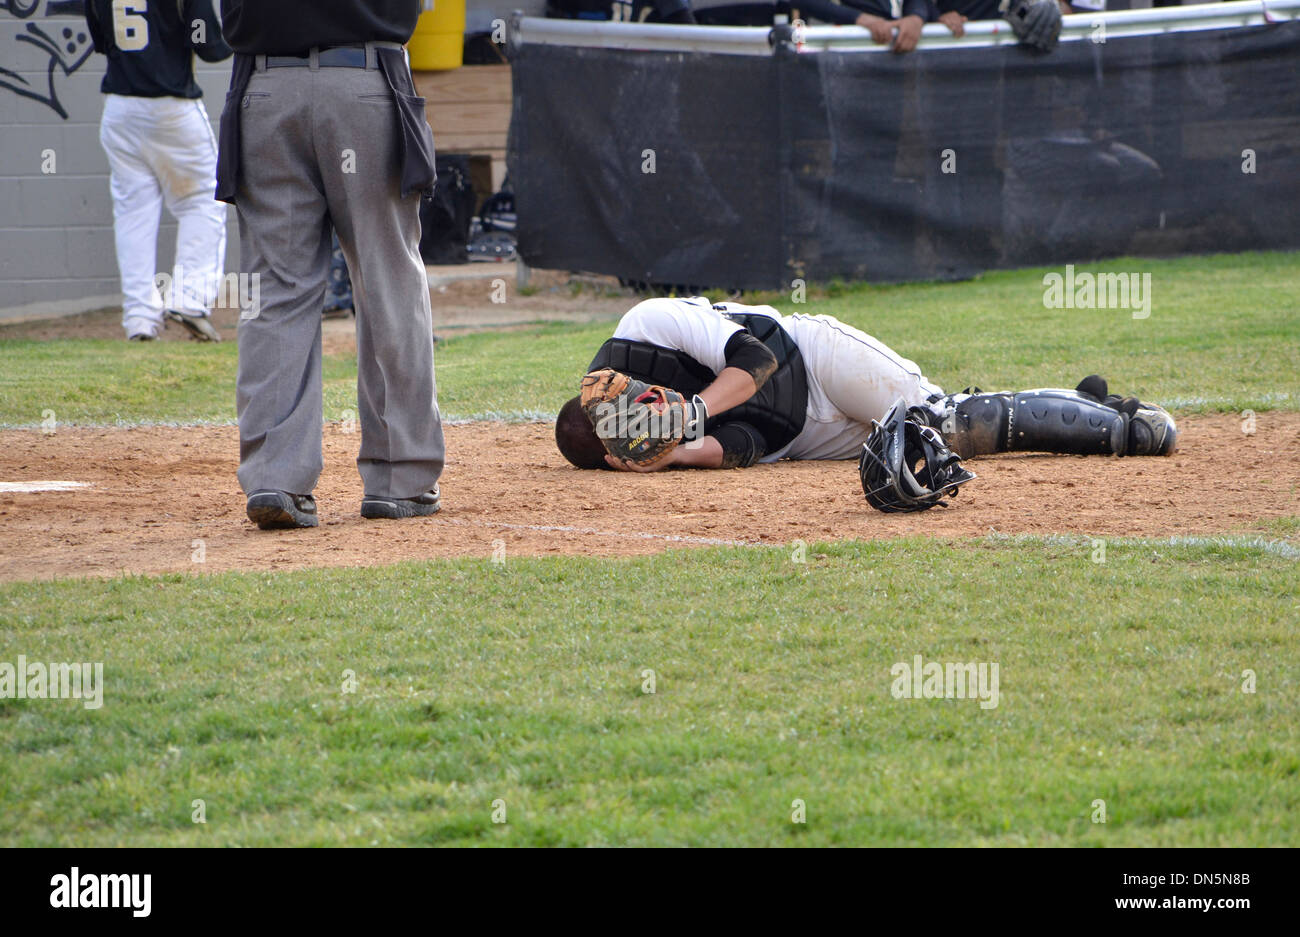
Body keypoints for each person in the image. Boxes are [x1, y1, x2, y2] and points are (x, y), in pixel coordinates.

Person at [216, 0, 445, 529]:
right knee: (388, 283)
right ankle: (399, 478)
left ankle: (276, 477)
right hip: (364, 84)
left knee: (276, 291)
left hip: (266, 88)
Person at [555, 296, 1177, 471]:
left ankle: (1123, 427)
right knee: (932, 441)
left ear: (616, 383)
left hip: (812, 358)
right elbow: (747, 442)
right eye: (631, 434)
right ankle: (1082, 403)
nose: (648, 417)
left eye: (634, 409)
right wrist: (676, 452)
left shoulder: (645, 326)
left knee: (941, 419)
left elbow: (761, 355)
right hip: (800, 437)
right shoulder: (648, 451)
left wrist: (689, 412)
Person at [85, 0, 231, 342]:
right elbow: (211, 48)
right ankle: (189, 301)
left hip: (120, 107)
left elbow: (102, 41)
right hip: (172, 107)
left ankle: (139, 318)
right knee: (203, 200)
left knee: (133, 213)